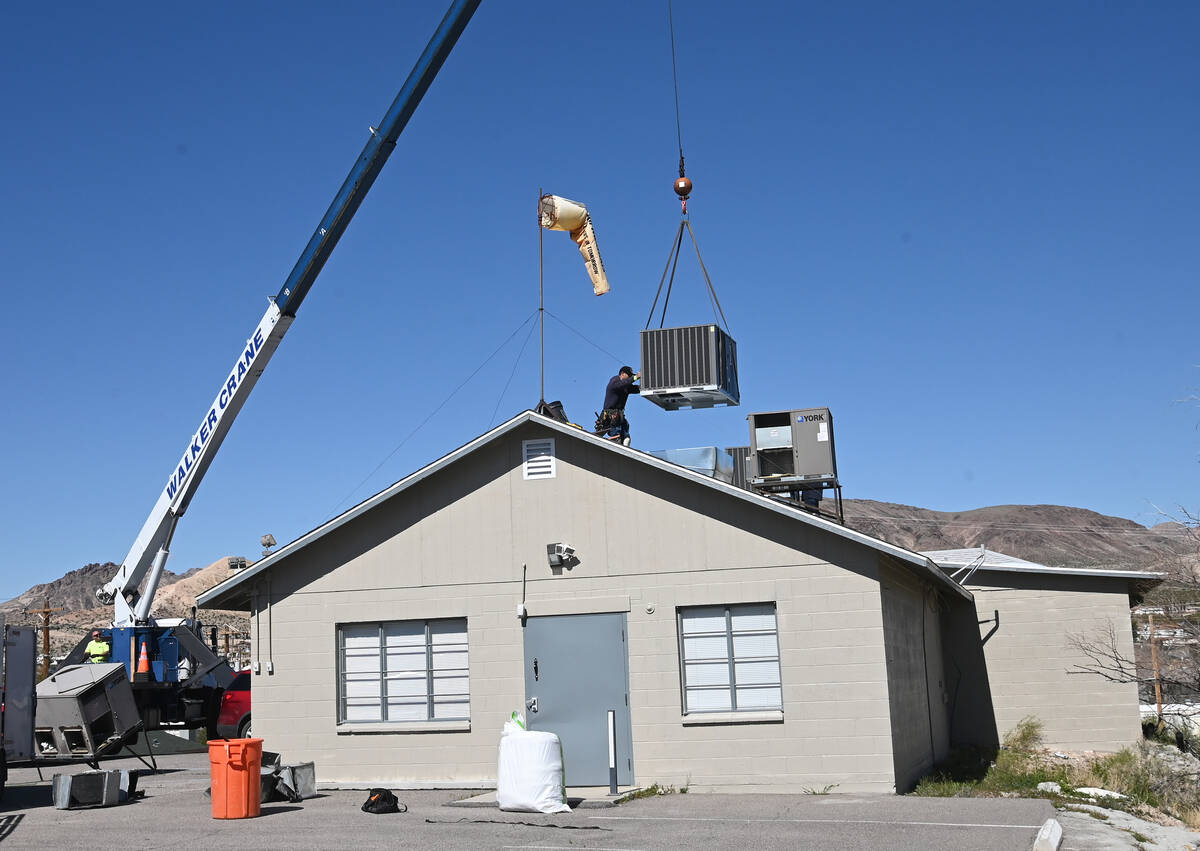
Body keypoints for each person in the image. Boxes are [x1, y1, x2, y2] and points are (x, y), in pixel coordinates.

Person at [595, 366, 640, 446]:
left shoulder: (626, 386)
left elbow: (636, 388)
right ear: (622, 374)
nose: (630, 377)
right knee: (616, 434)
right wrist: (636, 377)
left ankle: (623, 442)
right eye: (629, 375)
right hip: (611, 415)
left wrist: (647, 383)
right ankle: (615, 441)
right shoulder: (615, 380)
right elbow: (621, 385)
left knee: (626, 436)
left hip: (619, 415)